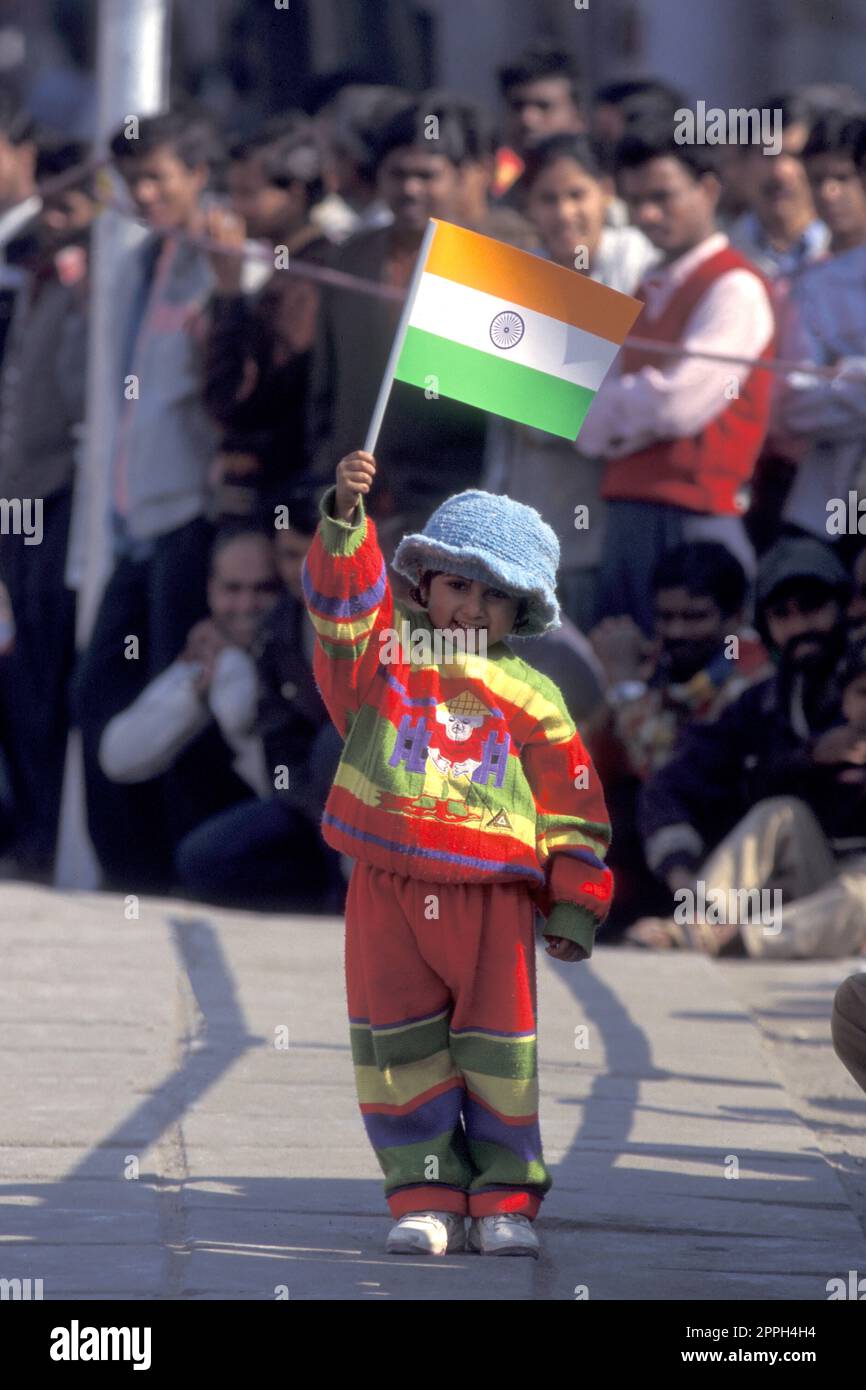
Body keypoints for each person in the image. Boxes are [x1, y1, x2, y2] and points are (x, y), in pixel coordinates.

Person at [302, 448, 613, 1259]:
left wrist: (575, 903)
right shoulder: (383, 665)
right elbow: (340, 618)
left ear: (523, 612)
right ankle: (427, 1194)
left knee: (500, 1057)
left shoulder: (535, 700)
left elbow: (574, 806)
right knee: (400, 1049)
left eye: (494, 594)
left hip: (492, 907)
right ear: (424, 587)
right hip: (387, 894)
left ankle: (505, 1202)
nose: (472, 607)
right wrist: (346, 519)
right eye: (457, 585)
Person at [71, 109, 223, 890]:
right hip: (133, 528)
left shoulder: (223, 261)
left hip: (192, 520)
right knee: (99, 696)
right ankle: (123, 877)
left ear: (199, 175)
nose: (145, 193)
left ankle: (181, 870)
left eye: (159, 178)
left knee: (179, 702)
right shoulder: (140, 263)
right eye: (134, 182)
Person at [578, 118, 776, 634]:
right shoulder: (649, 287)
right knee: (625, 671)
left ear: (708, 189)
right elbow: (589, 422)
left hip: (697, 516)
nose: (648, 214)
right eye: (636, 200)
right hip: (628, 512)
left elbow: (678, 404)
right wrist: (626, 409)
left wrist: (614, 409)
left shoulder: (735, 285)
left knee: (707, 681)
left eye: (663, 197)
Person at [629, 538, 866, 956]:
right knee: (778, 814)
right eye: (782, 614)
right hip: (813, 875)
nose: (800, 626)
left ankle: (740, 942)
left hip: (855, 890)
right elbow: (671, 785)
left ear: (844, 608)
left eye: (812, 607)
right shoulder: (763, 702)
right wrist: (810, 757)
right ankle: (700, 922)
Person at [483, 133, 658, 630]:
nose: (564, 213)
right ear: (528, 207)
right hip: (532, 525)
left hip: (616, 522)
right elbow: (514, 413)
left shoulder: (642, 266)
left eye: (577, 195)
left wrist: (554, 400)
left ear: (606, 191)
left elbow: (629, 395)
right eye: (548, 199)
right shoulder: (518, 279)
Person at [308, 94, 492, 517]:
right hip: (361, 499)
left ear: (462, 176)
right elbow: (326, 381)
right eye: (398, 174)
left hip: (455, 497)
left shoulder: (493, 265)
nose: (411, 189)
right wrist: (325, 471)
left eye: (427, 175)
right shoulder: (351, 257)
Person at [0, 138, 96, 877]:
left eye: (71, 206)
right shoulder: (38, 279)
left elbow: (75, 397)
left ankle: (50, 832)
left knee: (47, 669)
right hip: (16, 499)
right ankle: (28, 824)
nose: (54, 220)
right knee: (17, 668)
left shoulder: (91, 287)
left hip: (62, 504)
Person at [175, 491, 344, 911]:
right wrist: (313, 810)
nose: (303, 571)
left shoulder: (388, 618)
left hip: (390, 807)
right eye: (289, 556)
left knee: (332, 747)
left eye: (318, 554)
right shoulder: (278, 627)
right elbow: (279, 746)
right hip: (314, 809)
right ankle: (323, 891)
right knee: (204, 860)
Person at [589, 543, 769, 936]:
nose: (677, 631)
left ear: (735, 617)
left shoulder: (752, 680)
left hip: (718, 840)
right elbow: (597, 759)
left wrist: (624, 688)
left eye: (694, 617)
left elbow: (663, 769)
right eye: (666, 617)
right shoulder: (662, 666)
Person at [99, 526, 282, 868]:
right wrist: (195, 694)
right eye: (232, 589)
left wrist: (235, 666)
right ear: (211, 590)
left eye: (264, 589)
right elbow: (118, 756)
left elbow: (238, 712)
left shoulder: (295, 645)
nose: (246, 604)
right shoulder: (210, 651)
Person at [202, 113, 332, 511]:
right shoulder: (284, 269)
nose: (235, 209)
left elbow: (240, 397)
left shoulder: (311, 277)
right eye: (230, 193)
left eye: (248, 193)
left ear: (293, 193)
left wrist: (229, 290)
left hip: (284, 489)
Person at [776, 111, 866, 547]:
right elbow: (793, 403)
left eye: (844, 177)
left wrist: (839, 370)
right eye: (817, 180)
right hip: (823, 513)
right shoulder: (805, 284)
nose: (830, 193)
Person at [728, 91, 829, 286]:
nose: (780, 172)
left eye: (795, 156)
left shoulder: (849, 253)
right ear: (743, 162)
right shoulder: (724, 257)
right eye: (768, 154)